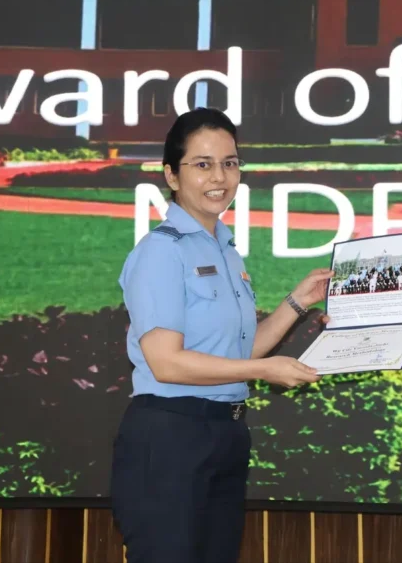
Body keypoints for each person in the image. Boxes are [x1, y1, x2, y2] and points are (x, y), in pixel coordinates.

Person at [110, 107, 332, 563]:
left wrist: (298, 301)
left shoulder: (226, 249)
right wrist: (262, 371)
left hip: (224, 436)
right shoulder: (159, 252)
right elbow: (166, 362)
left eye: (230, 163)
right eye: (203, 164)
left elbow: (236, 352)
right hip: (170, 435)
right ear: (172, 175)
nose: (221, 176)